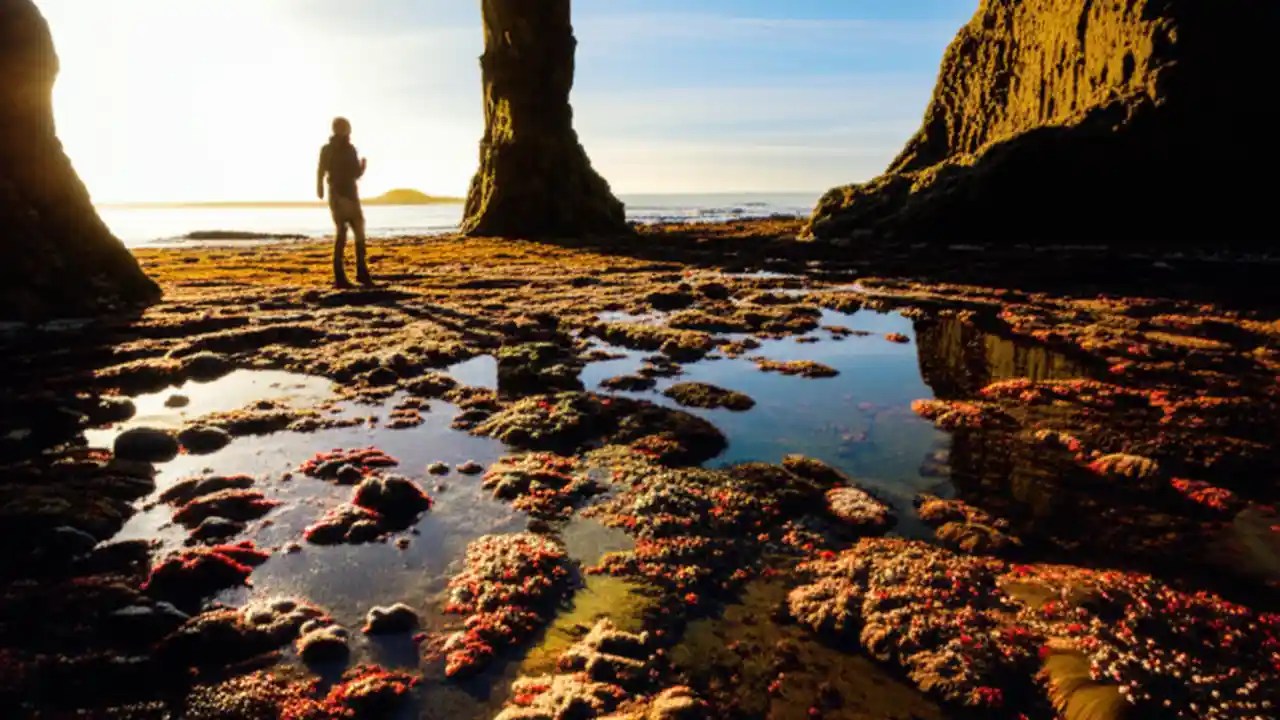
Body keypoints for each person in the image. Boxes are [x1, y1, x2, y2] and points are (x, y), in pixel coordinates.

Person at [317, 117, 371, 288]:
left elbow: (320, 170)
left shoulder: (328, 149)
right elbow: (354, 173)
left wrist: (320, 188)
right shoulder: (347, 149)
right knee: (355, 230)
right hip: (345, 193)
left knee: (344, 231)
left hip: (337, 193)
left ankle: (346, 275)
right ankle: (357, 274)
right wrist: (362, 168)